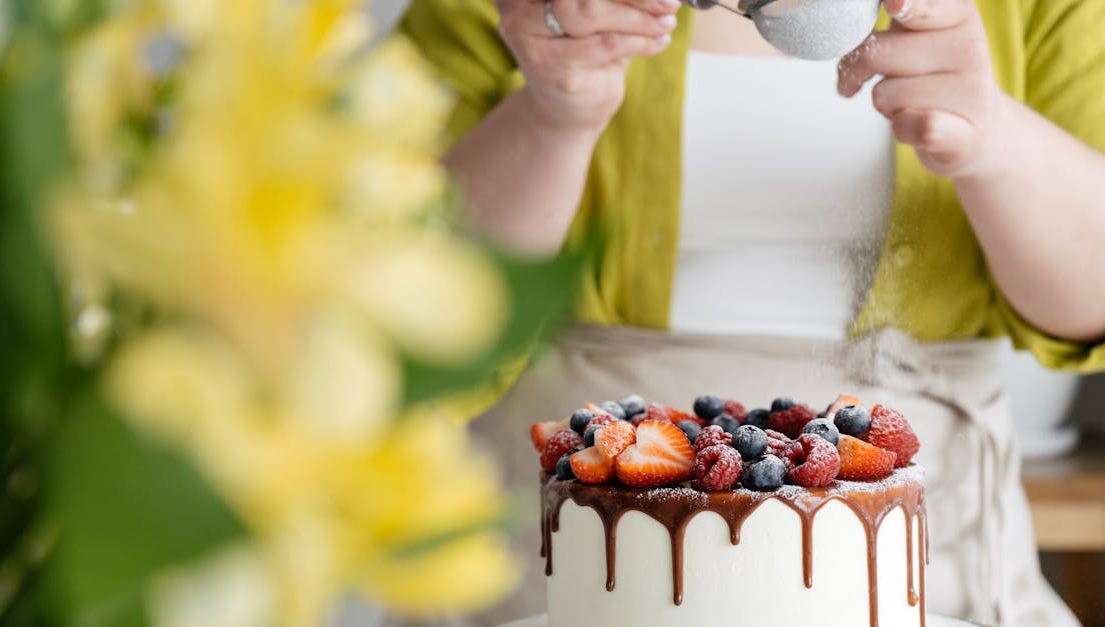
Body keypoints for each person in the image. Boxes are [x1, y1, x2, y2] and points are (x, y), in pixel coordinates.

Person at [397, 0, 1105, 625]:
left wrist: (992, 136)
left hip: (941, 580)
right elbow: (406, 321)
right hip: (542, 583)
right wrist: (554, 110)